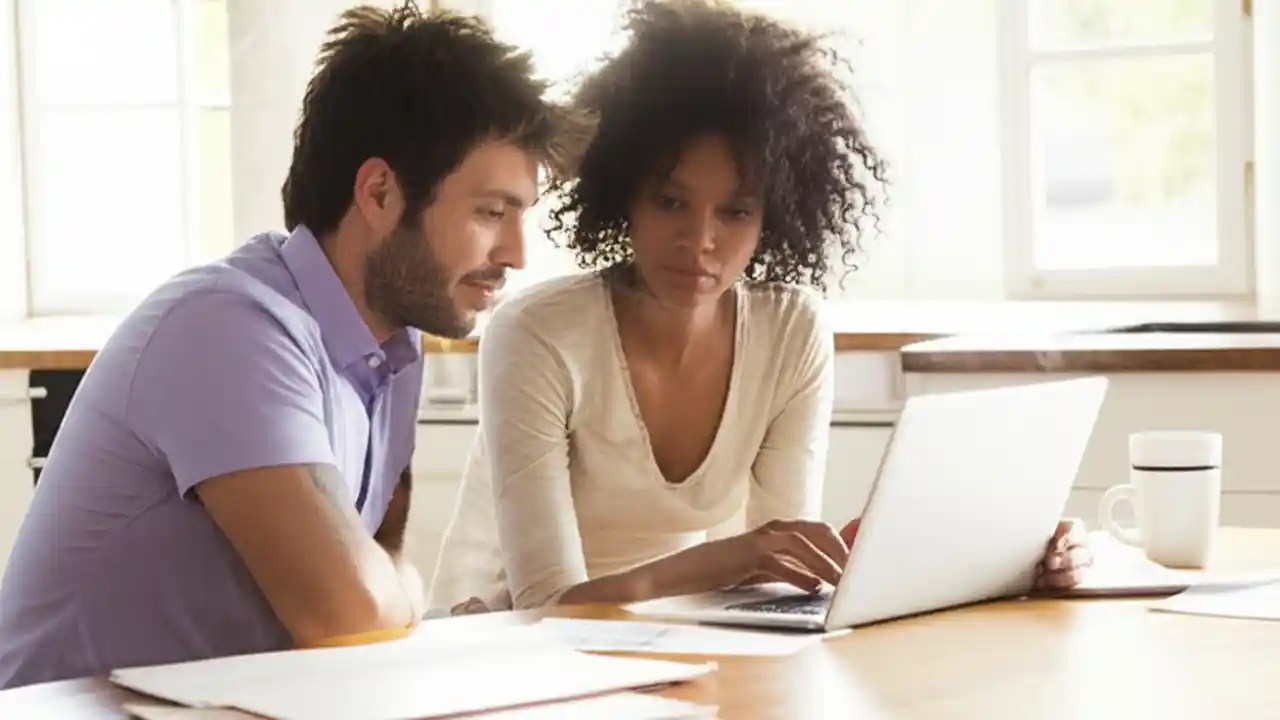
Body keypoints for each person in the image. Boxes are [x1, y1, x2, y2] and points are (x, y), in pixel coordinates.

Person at [430, 0, 1091, 614]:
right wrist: (725, 561)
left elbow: (779, 569)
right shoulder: (539, 334)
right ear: (623, 192)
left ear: (774, 218)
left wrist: (1001, 558)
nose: (701, 241)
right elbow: (548, 605)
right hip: (508, 652)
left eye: (736, 211)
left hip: (687, 642)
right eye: (670, 201)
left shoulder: (791, 331)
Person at [0, 2, 581, 689]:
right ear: (379, 192)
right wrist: (394, 586)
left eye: (522, 216)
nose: (514, 253)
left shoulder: (392, 348)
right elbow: (350, 614)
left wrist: (385, 588)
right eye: (490, 212)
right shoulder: (228, 329)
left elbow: (367, 594)